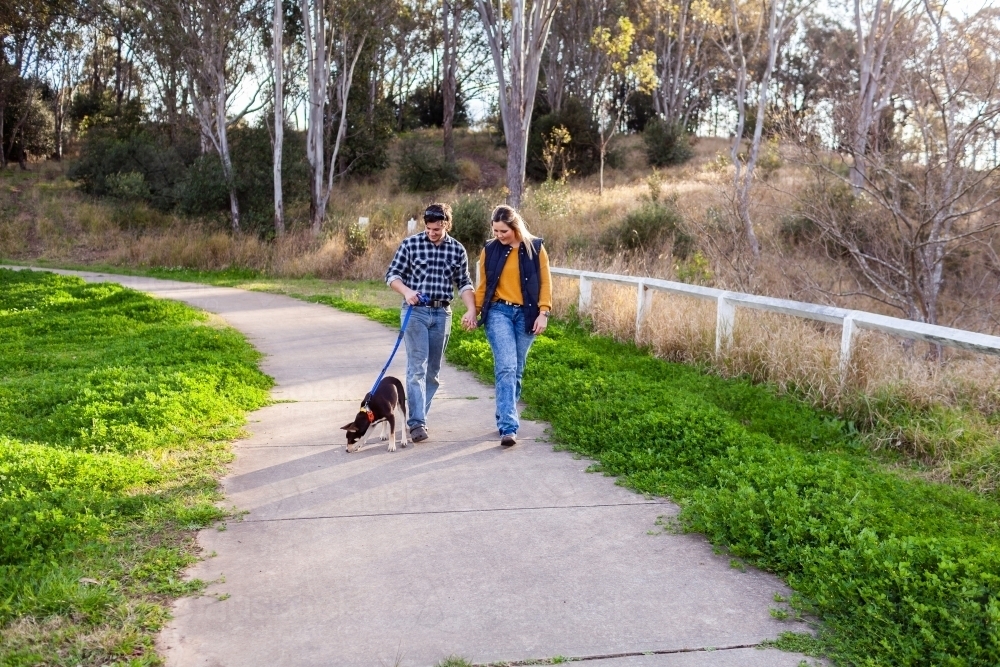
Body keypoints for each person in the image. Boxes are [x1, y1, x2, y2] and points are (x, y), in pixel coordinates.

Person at [461, 205, 552, 447]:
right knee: (507, 367)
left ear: (514, 226)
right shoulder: (489, 250)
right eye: (495, 231)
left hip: (527, 313)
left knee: (517, 368)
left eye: (503, 231)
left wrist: (543, 313)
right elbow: (483, 286)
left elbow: (545, 283)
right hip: (498, 311)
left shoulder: (535, 248)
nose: (499, 236)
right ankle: (508, 427)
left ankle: (504, 413)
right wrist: (474, 311)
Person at [386, 203, 476, 442]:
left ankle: (417, 419)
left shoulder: (457, 250)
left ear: (446, 224)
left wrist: (471, 309)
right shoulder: (410, 244)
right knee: (417, 367)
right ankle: (416, 424)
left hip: (442, 314)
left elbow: (464, 282)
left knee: (432, 373)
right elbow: (392, 275)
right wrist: (406, 291)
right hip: (415, 312)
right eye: (428, 228)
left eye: (437, 228)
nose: (432, 232)